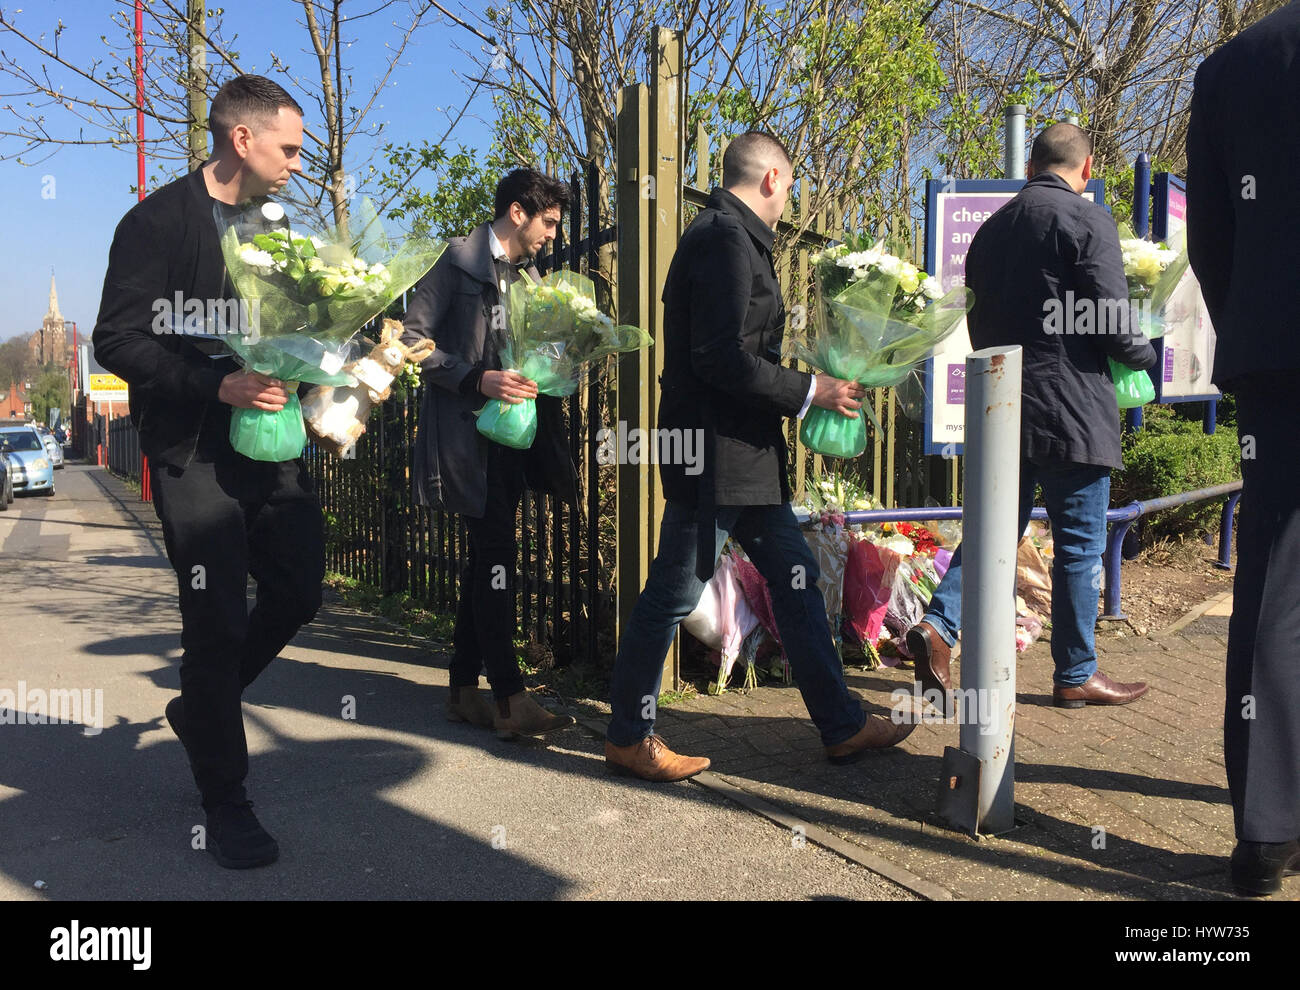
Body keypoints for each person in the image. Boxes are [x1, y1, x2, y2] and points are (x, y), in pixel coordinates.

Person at [603, 131, 915, 782]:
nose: (790, 197)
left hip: (743, 460)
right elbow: (717, 358)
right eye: (791, 184)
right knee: (672, 592)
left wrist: (802, 388)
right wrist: (810, 389)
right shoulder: (721, 238)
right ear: (772, 178)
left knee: (796, 583)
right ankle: (629, 736)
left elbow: (736, 354)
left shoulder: (732, 238)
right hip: (713, 458)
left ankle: (843, 725)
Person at [93, 75, 324, 869]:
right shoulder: (156, 223)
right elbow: (116, 341)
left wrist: (334, 382)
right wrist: (212, 381)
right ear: (242, 140)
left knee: (299, 591)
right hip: (194, 451)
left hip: (275, 438)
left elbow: (304, 325)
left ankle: (202, 707)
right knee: (217, 619)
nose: (298, 163)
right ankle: (227, 800)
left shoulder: (279, 226)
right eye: (289, 148)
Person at [905, 123, 1155, 712]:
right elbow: (1112, 322)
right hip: (1073, 412)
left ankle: (940, 628)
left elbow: (982, 323)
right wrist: (1147, 356)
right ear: (1087, 168)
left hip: (1003, 408)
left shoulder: (990, 232)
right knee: (1079, 546)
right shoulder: (1088, 220)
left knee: (994, 532)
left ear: (1031, 166)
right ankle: (1075, 672)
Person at [1186, 0, 1300, 897]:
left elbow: (1211, 238)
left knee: (1270, 576)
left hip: (1272, 356)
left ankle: (1265, 829)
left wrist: (1251, 329)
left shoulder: (1229, 68)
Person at [401, 169, 578, 740]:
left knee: (487, 559)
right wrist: (476, 378)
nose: (553, 235)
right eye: (548, 222)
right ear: (518, 212)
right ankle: (509, 697)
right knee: (497, 555)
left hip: (511, 437)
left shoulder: (528, 276)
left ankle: (461, 689)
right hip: (466, 439)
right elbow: (409, 342)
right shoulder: (451, 262)